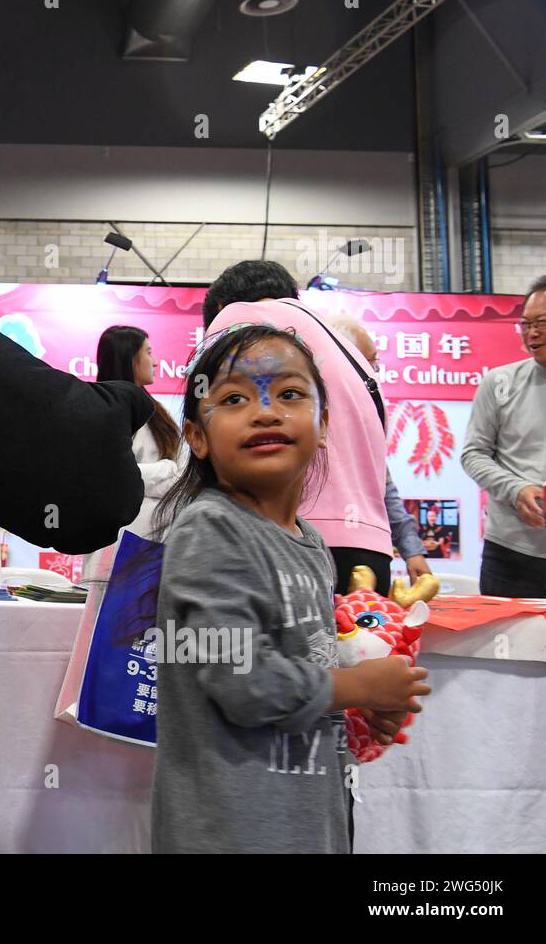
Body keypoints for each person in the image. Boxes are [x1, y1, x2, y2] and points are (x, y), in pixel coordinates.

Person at [150, 324, 429, 853]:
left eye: (290, 394)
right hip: (228, 833)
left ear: (323, 424)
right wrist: (358, 688)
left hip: (306, 824)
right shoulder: (209, 529)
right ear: (198, 436)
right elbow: (242, 679)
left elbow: (303, 668)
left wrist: (357, 707)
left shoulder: (312, 546)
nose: (265, 411)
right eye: (233, 398)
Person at [202, 261, 393, 596]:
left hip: (287, 541)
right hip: (370, 550)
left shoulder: (238, 316)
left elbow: (207, 415)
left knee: (243, 650)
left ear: (221, 306)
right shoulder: (349, 349)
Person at [462, 274, 546, 598]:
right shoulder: (499, 383)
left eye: (543, 322)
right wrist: (516, 490)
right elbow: (473, 454)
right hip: (510, 554)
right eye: (526, 324)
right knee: (508, 649)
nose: (533, 333)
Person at [325, 312, 432, 581]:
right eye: (368, 362)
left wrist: (412, 550)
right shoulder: (308, 413)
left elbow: (383, 486)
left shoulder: (368, 414)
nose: (374, 371)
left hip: (368, 550)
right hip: (320, 550)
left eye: (375, 362)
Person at [82, 326, 187, 586]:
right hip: (118, 547)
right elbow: (106, 474)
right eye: (149, 352)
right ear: (130, 358)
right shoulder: (102, 409)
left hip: (159, 546)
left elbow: (181, 471)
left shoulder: (155, 410)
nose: (156, 361)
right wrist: (166, 471)